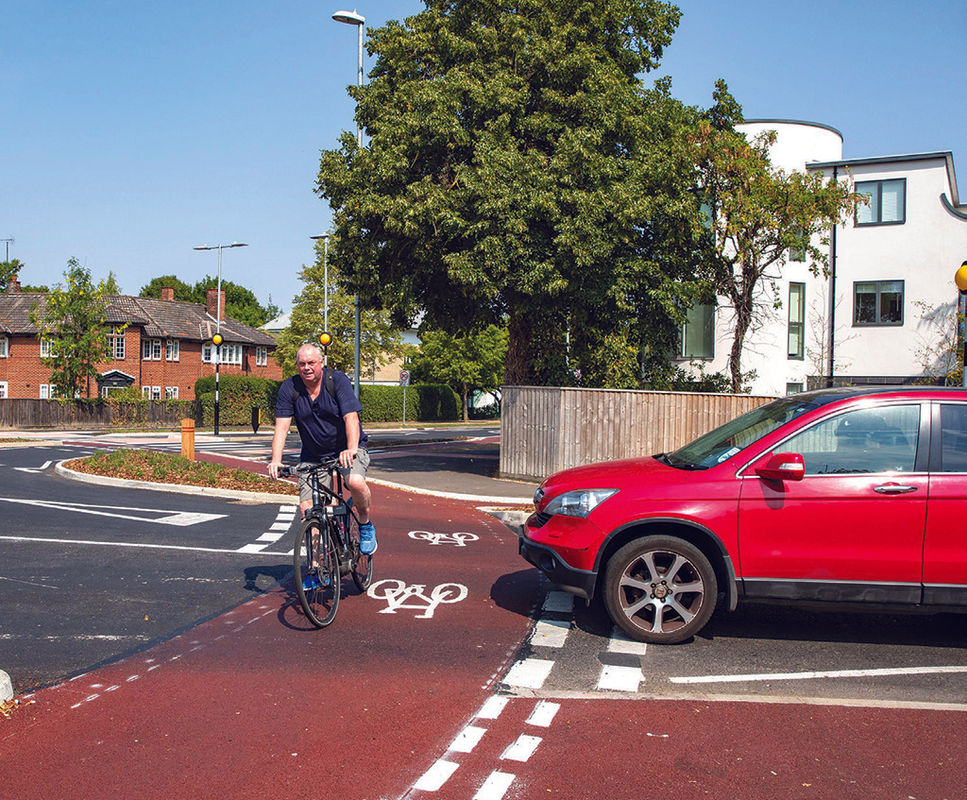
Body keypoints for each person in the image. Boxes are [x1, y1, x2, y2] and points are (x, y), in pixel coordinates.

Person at [268, 342, 377, 556]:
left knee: (355, 481)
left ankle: (365, 524)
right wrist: (276, 460)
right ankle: (317, 566)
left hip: (347, 448)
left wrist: (351, 449)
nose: (306, 368)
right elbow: (281, 427)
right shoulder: (290, 388)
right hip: (313, 455)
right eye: (302, 364)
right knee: (308, 509)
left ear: (322, 362)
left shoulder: (337, 381)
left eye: (311, 362)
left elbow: (351, 418)